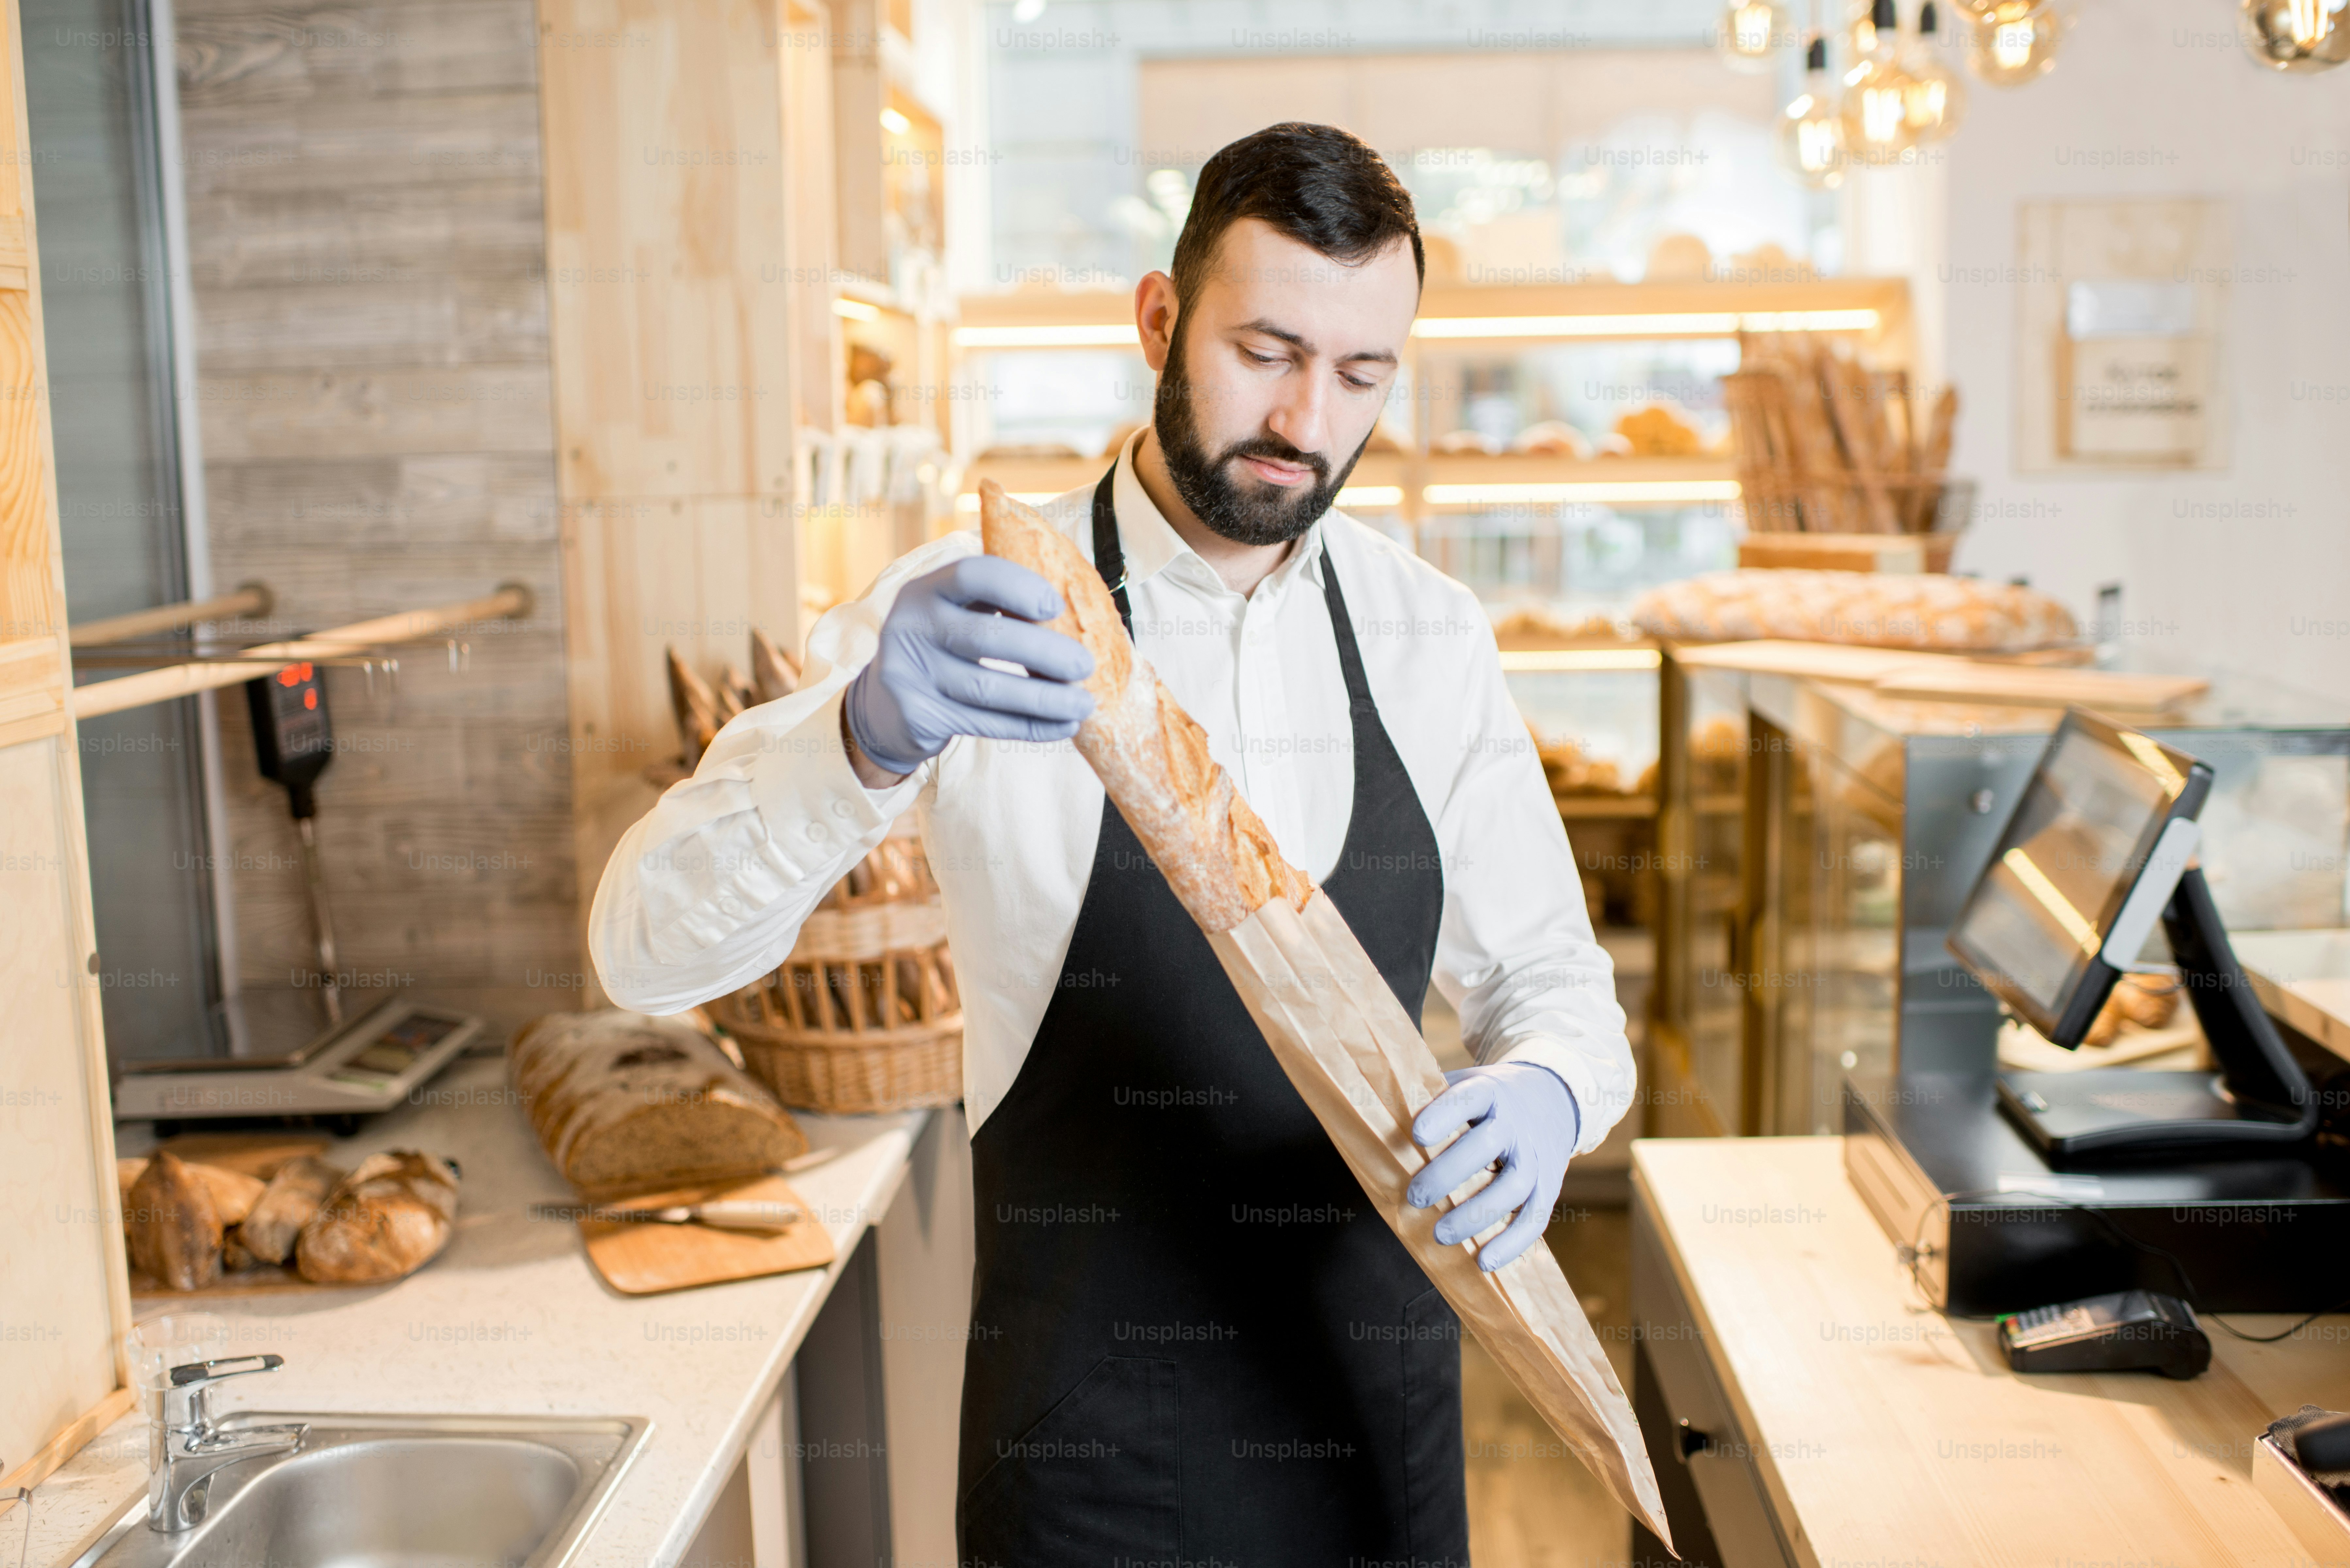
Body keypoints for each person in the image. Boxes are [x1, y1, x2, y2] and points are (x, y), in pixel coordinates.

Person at [591, 121, 1633, 1567]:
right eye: (1265, 350)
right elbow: (646, 953)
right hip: (1086, 1470)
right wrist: (861, 739)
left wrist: (1549, 1095)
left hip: (1372, 1442)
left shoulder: (1427, 637)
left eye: (1358, 374)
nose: (1304, 420)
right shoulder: (971, 612)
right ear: (1158, 317)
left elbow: (1563, 998)